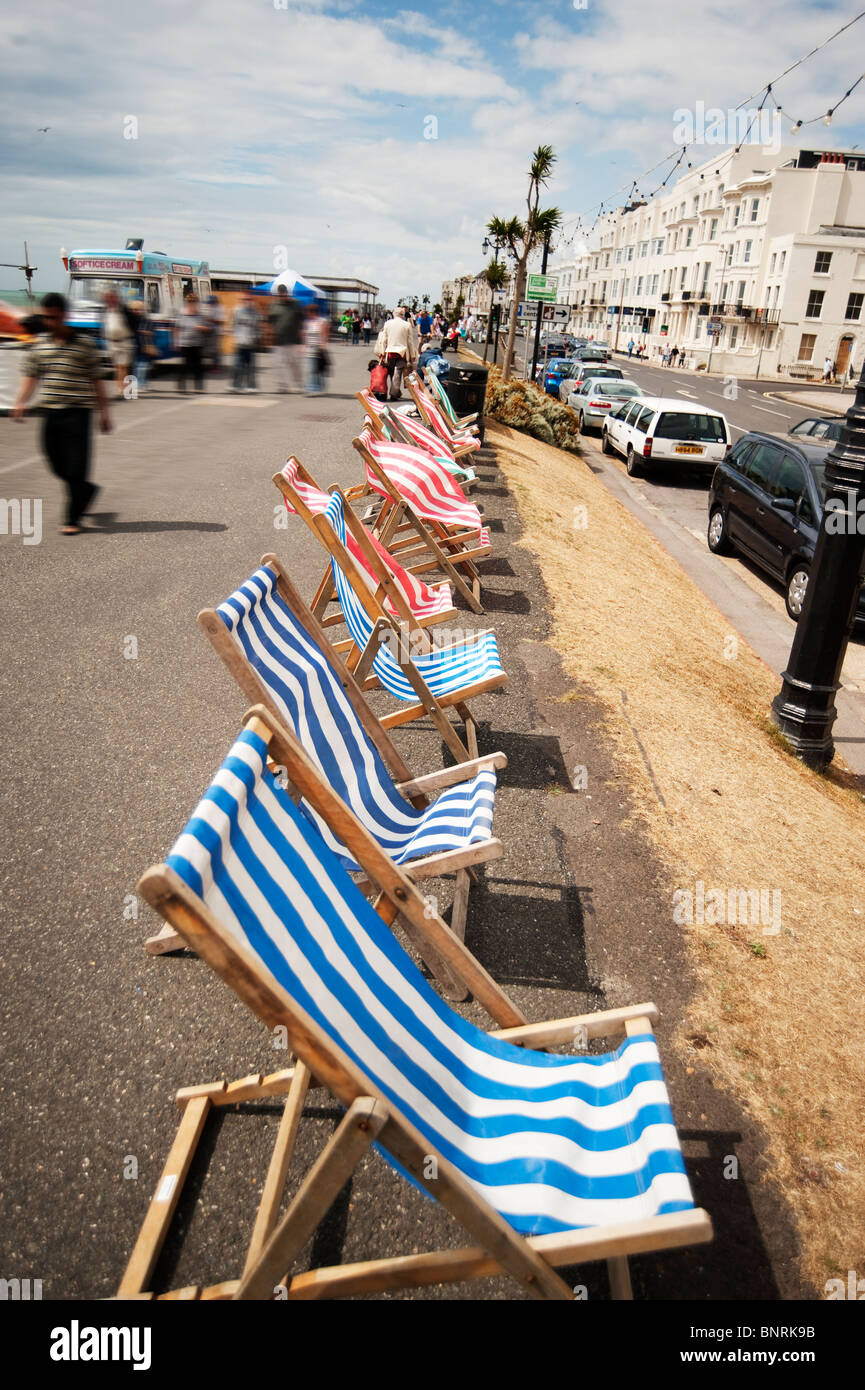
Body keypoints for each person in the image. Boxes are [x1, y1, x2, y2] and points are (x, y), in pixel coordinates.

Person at [11, 292, 111, 535]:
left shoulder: (85, 344)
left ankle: (72, 518)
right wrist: (21, 402)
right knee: (55, 462)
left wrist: (104, 413)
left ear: (64, 316)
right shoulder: (40, 345)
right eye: (47, 318)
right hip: (51, 413)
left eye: (54, 318)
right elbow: (31, 376)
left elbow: (97, 381)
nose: (49, 323)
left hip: (78, 413)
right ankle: (86, 490)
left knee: (76, 467)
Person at [268, 285, 304, 392]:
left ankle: (298, 384)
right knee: (278, 364)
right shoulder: (274, 305)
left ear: (287, 293)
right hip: (279, 340)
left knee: (294, 363)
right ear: (278, 294)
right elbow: (270, 321)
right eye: (280, 294)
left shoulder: (295, 304)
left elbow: (301, 321)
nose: (283, 296)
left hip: (293, 340)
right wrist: (271, 334)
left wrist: (301, 337)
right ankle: (282, 386)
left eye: (284, 293)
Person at [378, 305, 417, 400]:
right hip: (402, 352)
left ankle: (395, 391)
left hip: (390, 352)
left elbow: (384, 339)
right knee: (397, 372)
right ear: (403, 315)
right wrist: (412, 355)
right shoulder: (407, 325)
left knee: (392, 372)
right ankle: (394, 393)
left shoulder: (387, 323)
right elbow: (410, 342)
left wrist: (382, 352)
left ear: (394, 314)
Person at [103, 290, 135, 399]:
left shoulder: (124, 310)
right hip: (112, 342)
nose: (109, 300)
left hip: (124, 341)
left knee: (123, 366)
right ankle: (120, 387)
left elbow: (133, 322)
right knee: (117, 367)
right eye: (107, 298)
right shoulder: (106, 311)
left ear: (116, 298)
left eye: (111, 298)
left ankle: (123, 389)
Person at [175, 292, 207, 392]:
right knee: (185, 365)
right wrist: (176, 342)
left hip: (197, 343)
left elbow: (207, 328)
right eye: (190, 302)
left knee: (198, 366)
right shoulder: (182, 314)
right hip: (185, 343)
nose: (192, 304)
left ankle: (198, 387)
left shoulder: (200, 315)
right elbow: (177, 329)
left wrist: (202, 328)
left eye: (193, 302)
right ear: (187, 303)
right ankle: (181, 386)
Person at [231, 291, 260, 392]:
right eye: (244, 299)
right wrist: (236, 337)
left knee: (250, 366)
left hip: (250, 343)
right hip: (240, 342)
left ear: (252, 300)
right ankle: (235, 385)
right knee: (237, 366)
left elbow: (257, 327)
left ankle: (251, 386)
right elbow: (234, 325)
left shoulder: (255, 313)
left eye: (248, 299)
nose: (246, 301)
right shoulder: (237, 311)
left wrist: (255, 337)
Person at [303, 303, 330, 394]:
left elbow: (325, 335)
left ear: (313, 312)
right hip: (310, 348)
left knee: (315, 369)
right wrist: (304, 346)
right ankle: (317, 386)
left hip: (318, 348)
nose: (307, 314)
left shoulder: (322, 322)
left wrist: (323, 346)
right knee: (312, 369)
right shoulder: (308, 322)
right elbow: (306, 335)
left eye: (309, 312)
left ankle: (312, 387)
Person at [203, 294, 225, 375]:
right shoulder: (210, 308)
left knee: (216, 351)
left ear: (215, 302)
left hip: (217, 332)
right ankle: (213, 366)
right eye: (209, 302)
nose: (210, 304)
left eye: (211, 302)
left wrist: (211, 320)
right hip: (210, 332)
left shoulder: (220, 309)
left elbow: (221, 321)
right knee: (212, 351)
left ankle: (218, 367)